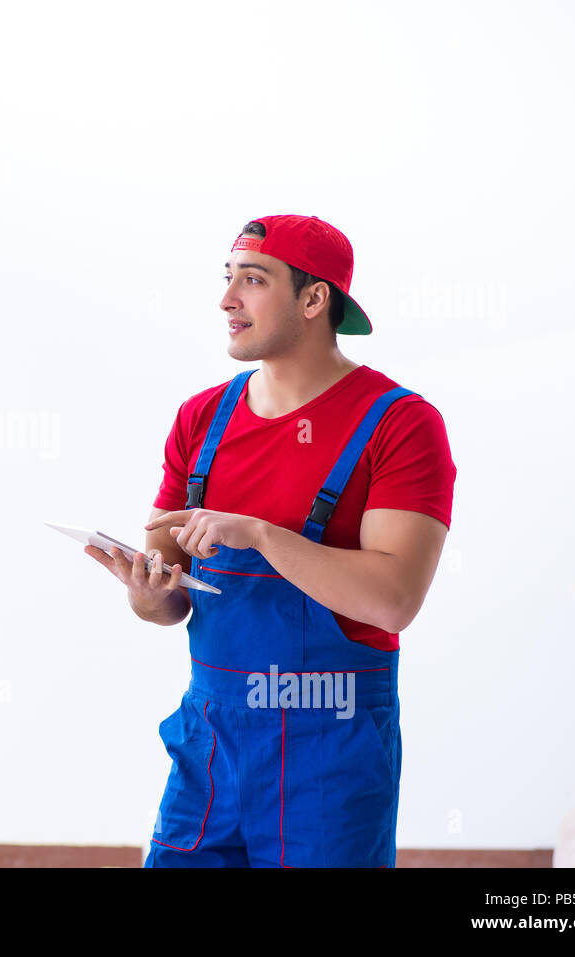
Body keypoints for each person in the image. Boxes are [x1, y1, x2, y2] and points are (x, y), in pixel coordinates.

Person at [85, 214, 456, 867]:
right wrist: (147, 593)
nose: (227, 300)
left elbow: (394, 600)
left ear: (315, 299)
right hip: (212, 743)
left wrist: (258, 533)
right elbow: (166, 593)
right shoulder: (202, 418)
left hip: (329, 749)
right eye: (228, 279)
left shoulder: (399, 425)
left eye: (252, 280)